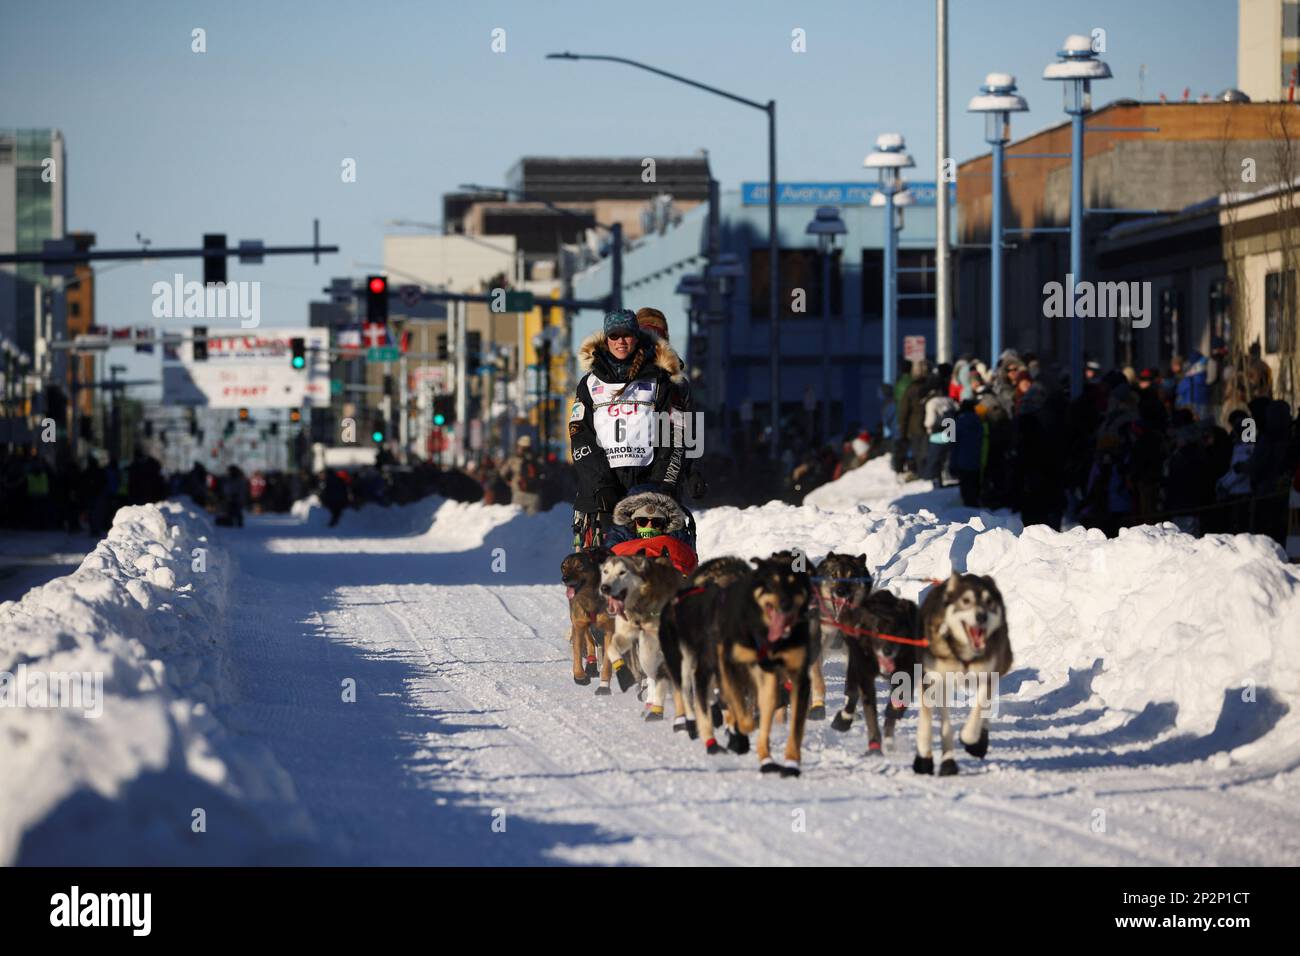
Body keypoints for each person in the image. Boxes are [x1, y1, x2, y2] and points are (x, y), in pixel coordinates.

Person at [569, 309, 692, 549]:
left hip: (650, 489)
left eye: (627, 335)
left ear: (637, 337)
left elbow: (675, 434)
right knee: (603, 569)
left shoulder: (661, 381)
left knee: (654, 562)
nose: (621, 341)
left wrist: (662, 485)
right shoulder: (589, 383)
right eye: (614, 336)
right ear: (606, 339)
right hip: (601, 494)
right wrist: (601, 484)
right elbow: (581, 438)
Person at [502, 436, 544, 514]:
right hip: (534, 494)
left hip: (518, 492)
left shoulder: (513, 460)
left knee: (518, 520)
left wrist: (509, 482)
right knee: (534, 522)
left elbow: (503, 472)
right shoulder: (537, 459)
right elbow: (545, 472)